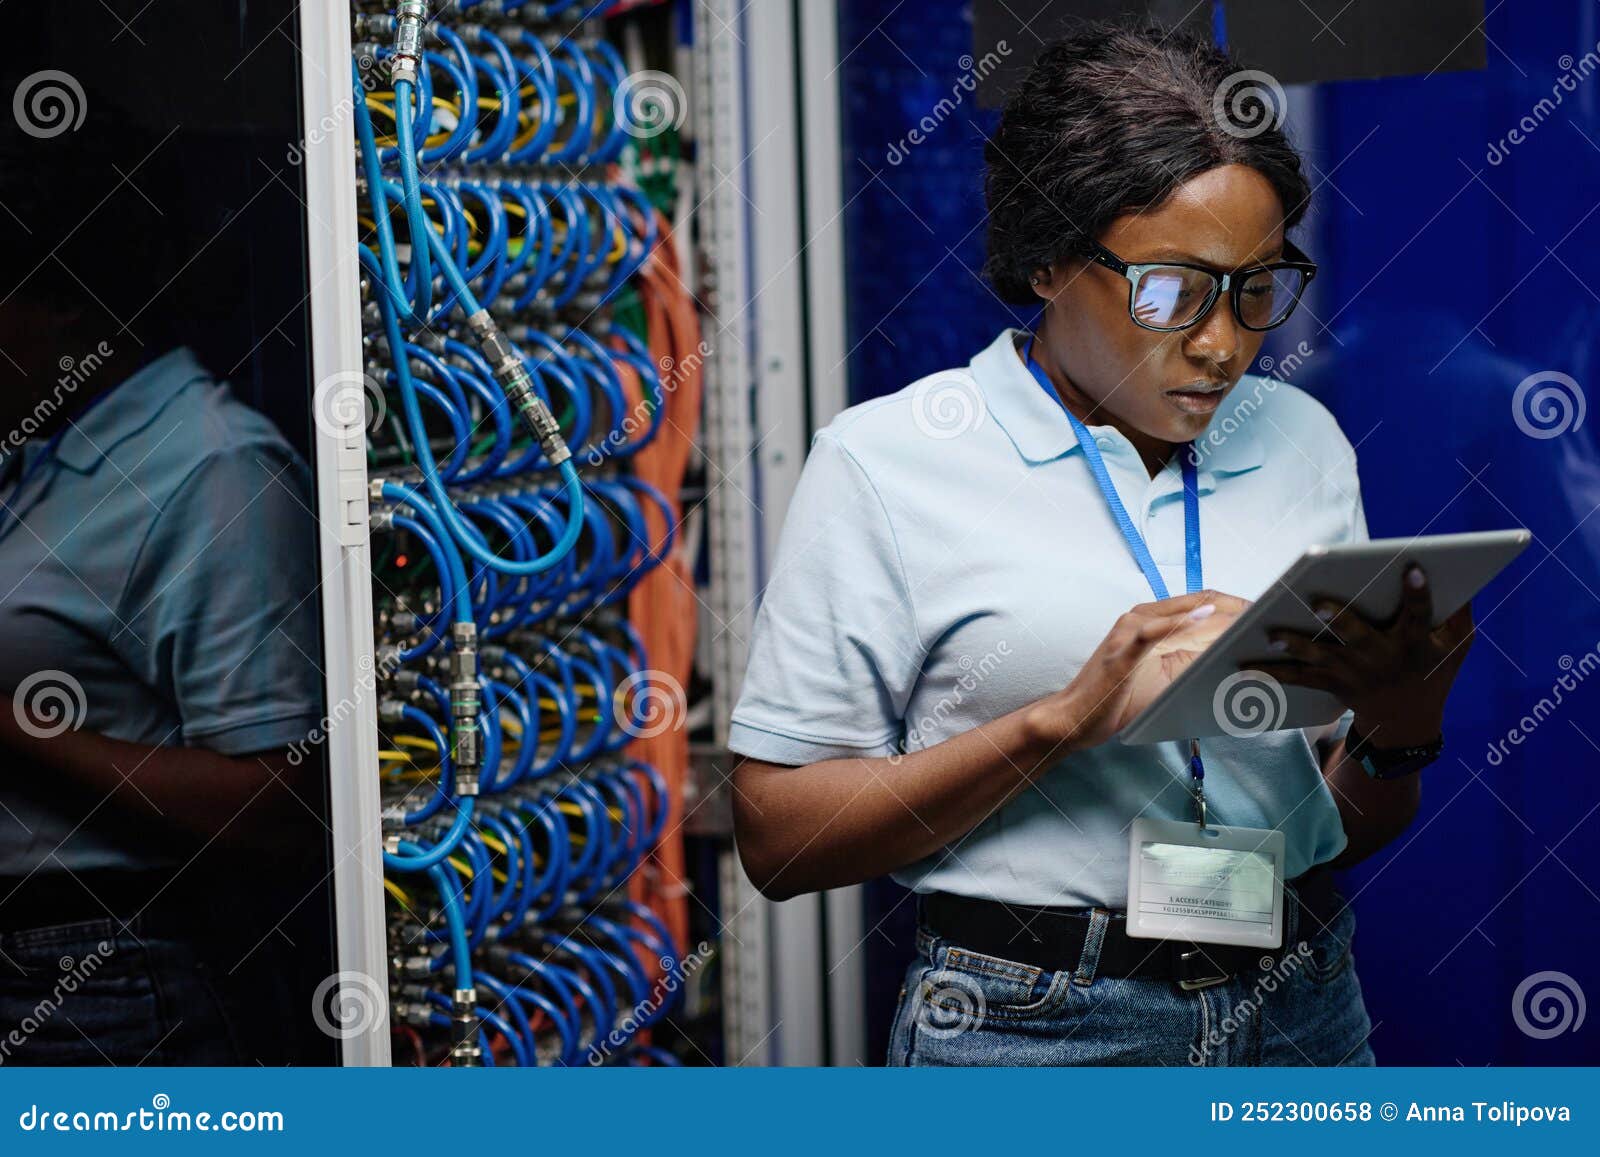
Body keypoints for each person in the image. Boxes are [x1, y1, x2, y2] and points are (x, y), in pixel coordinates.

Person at [727, 23, 1474, 1067]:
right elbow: (774, 838)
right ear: (1046, 257)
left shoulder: (1299, 440)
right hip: (1037, 1026)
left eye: (1257, 288)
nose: (1221, 341)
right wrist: (1056, 725)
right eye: (1169, 291)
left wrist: (1402, 724)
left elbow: (1338, 824)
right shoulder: (887, 461)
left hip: (1300, 1002)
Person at [0, 83, 329, 1065]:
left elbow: (283, 804)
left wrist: (14, 728)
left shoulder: (213, 465)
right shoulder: (42, 455)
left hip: (99, 987)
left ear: (62, 309)